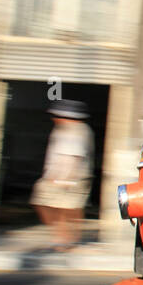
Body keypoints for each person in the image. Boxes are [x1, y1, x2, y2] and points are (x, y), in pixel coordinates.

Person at [31, 99, 94, 250]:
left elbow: (75, 157)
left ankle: (67, 238)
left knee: (67, 209)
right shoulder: (61, 130)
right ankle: (62, 236)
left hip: (70, 178)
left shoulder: (78, 131)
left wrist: (66, 179)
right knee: (46, 204)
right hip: (53, 177)